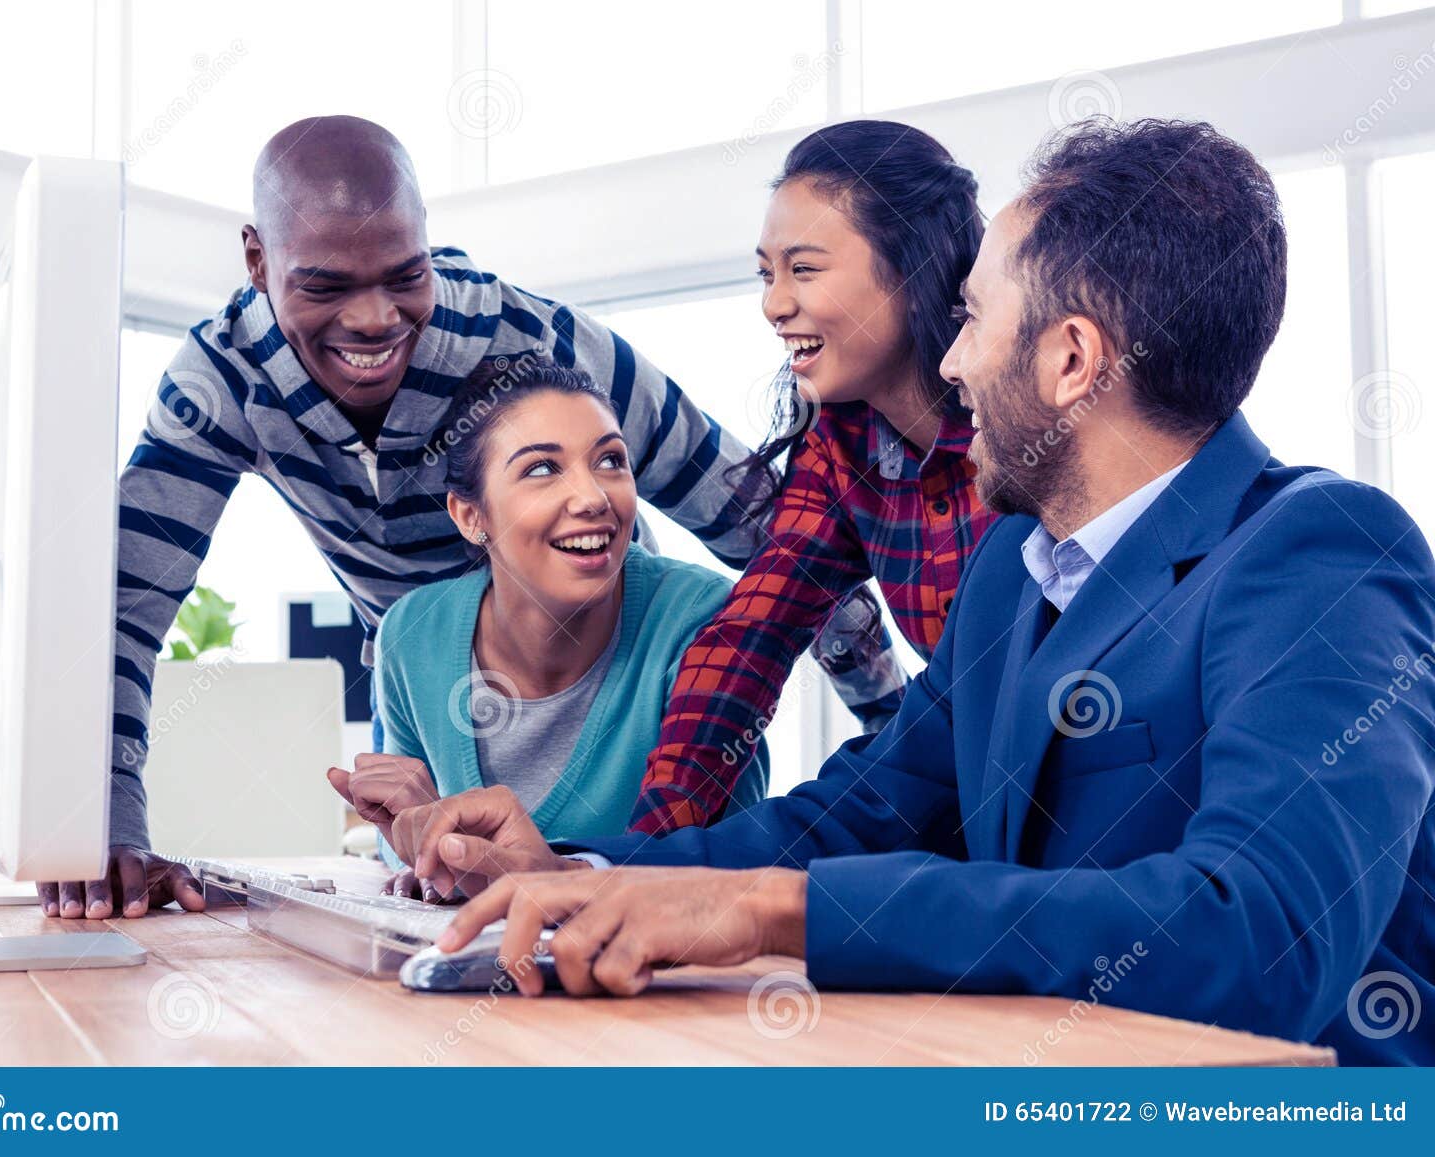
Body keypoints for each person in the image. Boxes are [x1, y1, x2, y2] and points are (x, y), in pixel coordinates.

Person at [396, 119, 1435, 1066]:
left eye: (973, 319)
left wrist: (779, 911)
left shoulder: (1321, 557)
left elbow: (1256, 934)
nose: (953, 360)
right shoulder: (1013, 568)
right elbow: (861, 812)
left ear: (1072, 360)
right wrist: (581, 869)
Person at [36, 116, 894, 921]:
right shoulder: (222, 380)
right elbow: (127, 606)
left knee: (621, 890)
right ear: (257, 262)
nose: (374, 318)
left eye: (405, 276)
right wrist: (102, 819)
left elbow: (779, 539)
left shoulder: (541, 344)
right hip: (438, 714)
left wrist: (898, 736)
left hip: (618, 694)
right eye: (326, 285)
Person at [631, 120, 996, 834]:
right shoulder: (840, 444)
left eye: (803, 269)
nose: (773, 304)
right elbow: (749, 639)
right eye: (766, 274)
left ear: (912, 268)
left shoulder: (1031, 428)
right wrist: (641, 857)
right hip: (977, 796)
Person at [328, 367, 768, 898]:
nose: (592, 498)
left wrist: (536, 876)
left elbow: (733, 863)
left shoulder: (703, 620)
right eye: (542, 468)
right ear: (470, 515)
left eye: (610, 461)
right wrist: (424, 845)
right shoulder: (412, 634)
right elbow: (408, 843)